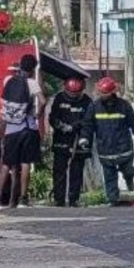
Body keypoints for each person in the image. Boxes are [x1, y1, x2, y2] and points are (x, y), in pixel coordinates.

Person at [82, 76, 134, 205]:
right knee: (109, 175)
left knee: (128, 170)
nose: (103, 96)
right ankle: (113, 199)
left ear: (113, 93)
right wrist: (84, 139)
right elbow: (88, 125)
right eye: (101, 93)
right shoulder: (94, 107)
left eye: (105, 94)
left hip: (123, 147)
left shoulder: (124, 106)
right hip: (105, 148)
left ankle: (129, 178)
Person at [0, 54, 41, 209]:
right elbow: (43, 101)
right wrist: (37, 115)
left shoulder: (8, 80)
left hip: (11, 129)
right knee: (26, 163)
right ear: (33, 68)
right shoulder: (32, 83)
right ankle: (23, 198)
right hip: (28, 127)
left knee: (6, 164)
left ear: (20, 65)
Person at [47, 77, 94, 207]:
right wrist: (60, 126)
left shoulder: (87, 102)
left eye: (76, 93)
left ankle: (74, 199)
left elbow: (88, 121)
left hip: (79, 140)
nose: (73, 96)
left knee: (77, 171)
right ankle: (59, 199)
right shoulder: (59, 99)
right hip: (61, 139)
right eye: (70, 93)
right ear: (65, 89)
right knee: (59, 170)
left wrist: (76, 128)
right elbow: (52, 117)